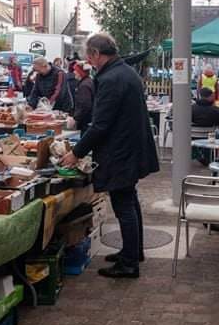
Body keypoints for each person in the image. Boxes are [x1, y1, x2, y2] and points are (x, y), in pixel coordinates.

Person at [60, 33, 159, 278]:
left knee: (123, 204)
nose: (89, 63)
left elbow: (101, 124)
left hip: (120, 151)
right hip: (130, 147)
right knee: (130, 200)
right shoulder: (125, 72)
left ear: (96, 54)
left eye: (89, 57)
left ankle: (129, 264)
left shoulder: (111, 78)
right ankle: (132, 252)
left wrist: (76, 153)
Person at [68, 62, 94, 130]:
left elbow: (85, 105)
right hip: (89, 119)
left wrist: (75, 118)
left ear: (80, 72)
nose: (74, 72)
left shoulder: (84, 86)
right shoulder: (88, 81)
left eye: (76, 70)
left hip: (85, 121)